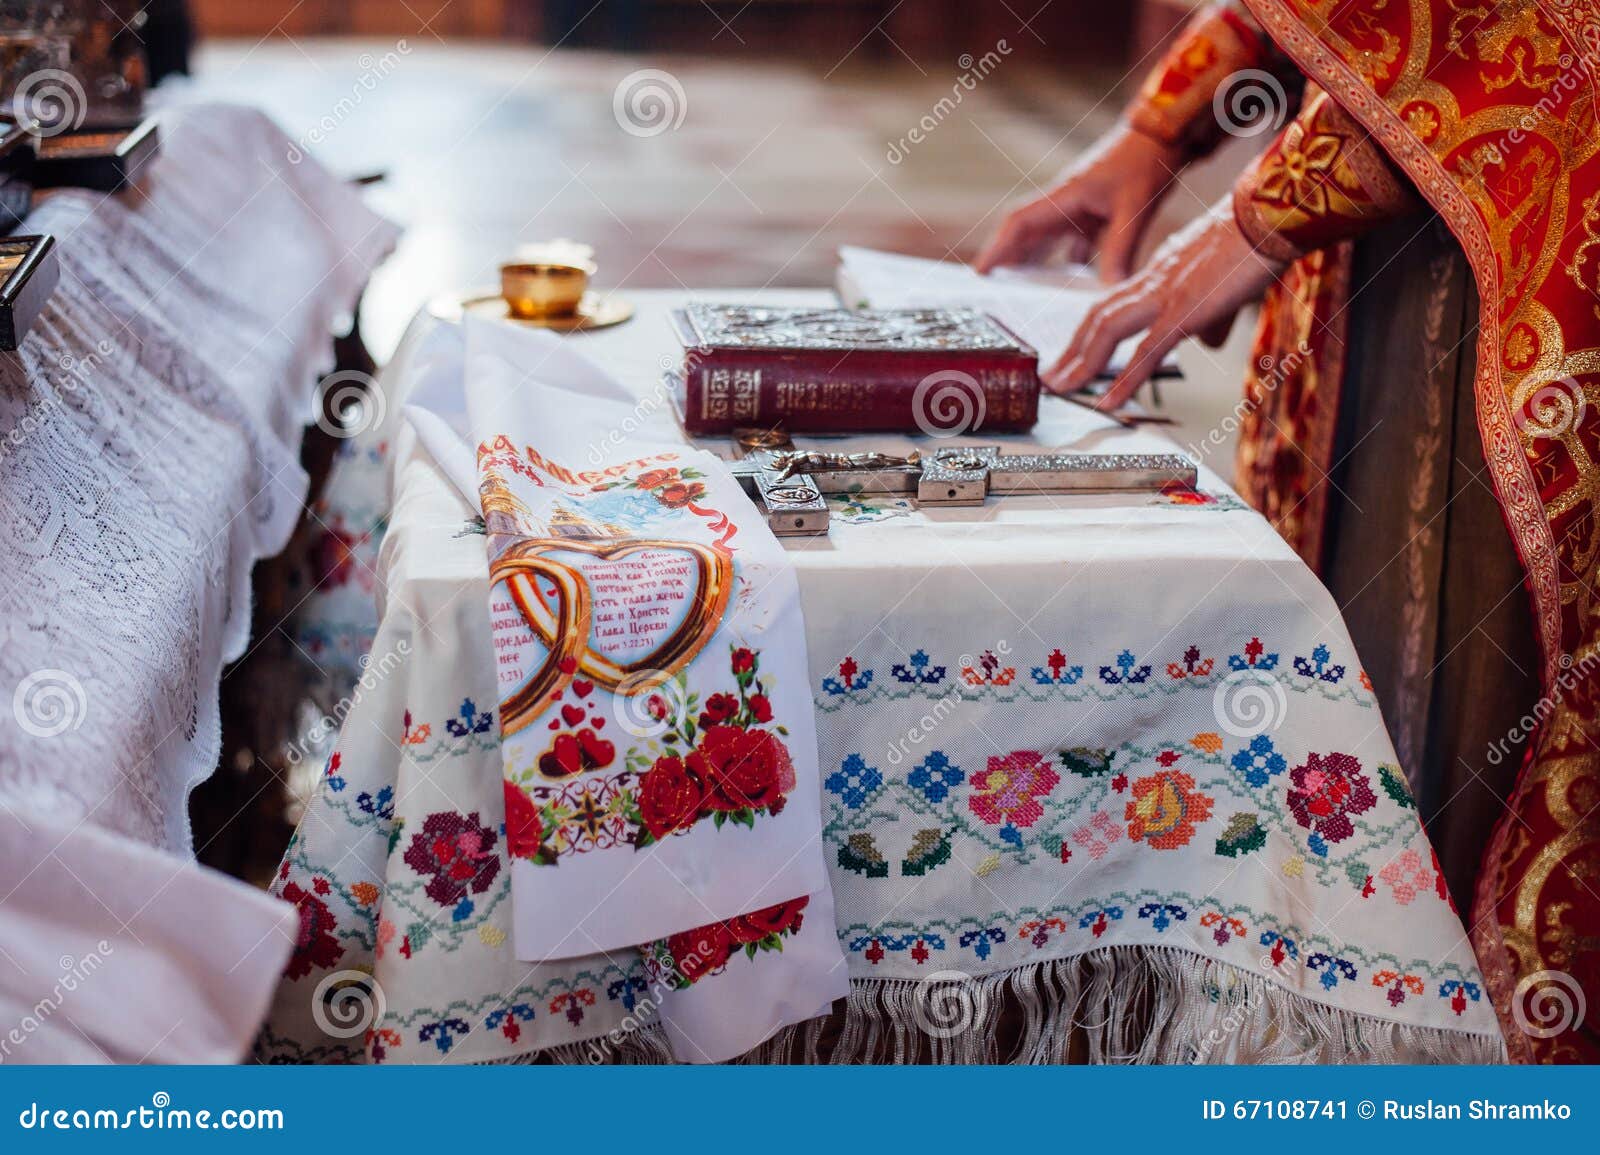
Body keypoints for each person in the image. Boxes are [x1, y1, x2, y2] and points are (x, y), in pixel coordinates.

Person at [978, 0, 1599, 1064]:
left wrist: (1263, 208)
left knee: (1473, 749)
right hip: (1361, 235)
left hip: (1517, 246)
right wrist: (1160, 131)